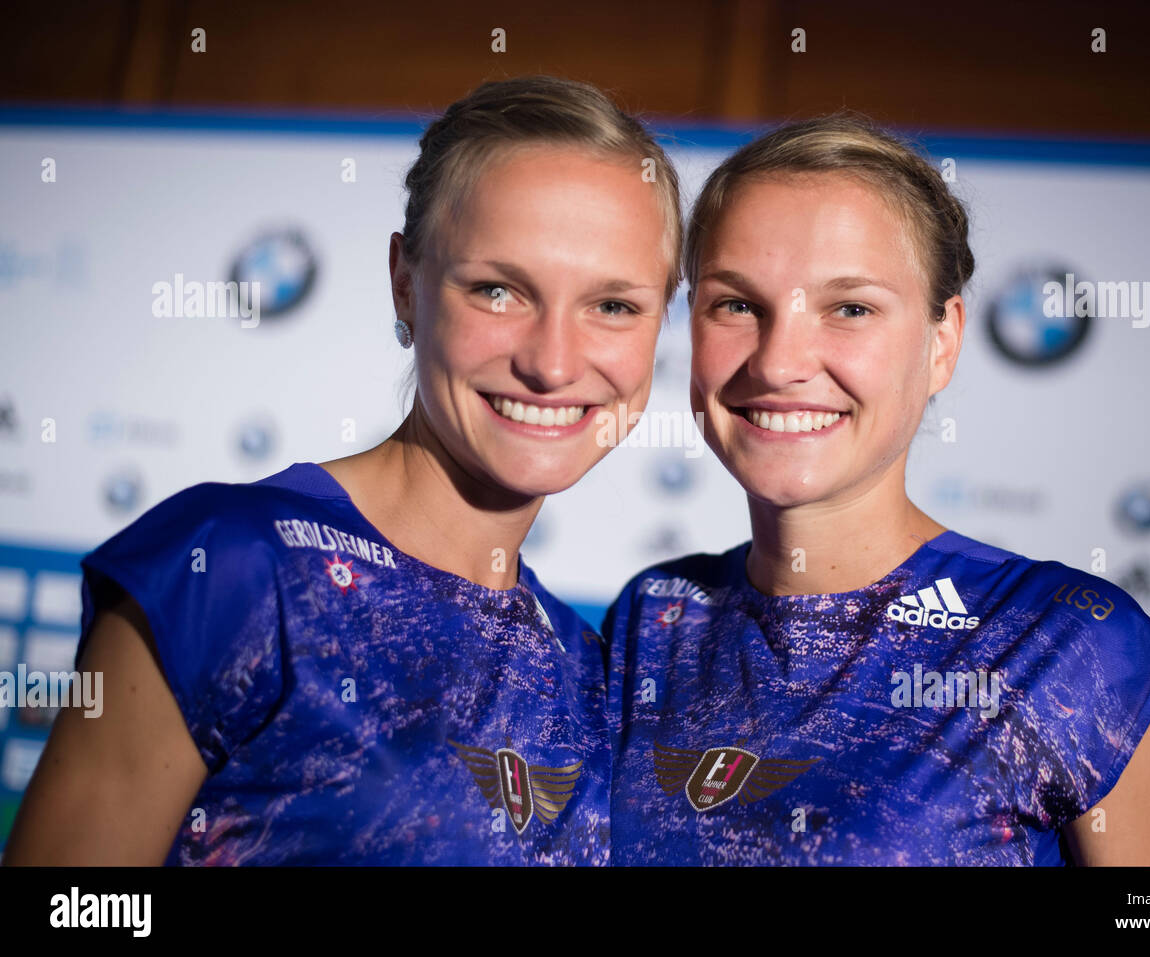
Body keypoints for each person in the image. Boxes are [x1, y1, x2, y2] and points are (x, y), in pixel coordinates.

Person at [4, 75, 681, 865]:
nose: (552, 361)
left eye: (613, 306)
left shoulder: (583, 669)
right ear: (406, 282)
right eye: (498, 290)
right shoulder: (235, 565)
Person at [602, 113, 1150, 865]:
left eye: (850, 307)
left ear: (942, 339)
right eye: (737, 304)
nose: (781, 361)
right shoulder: (655, 618)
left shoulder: (1063, 643)